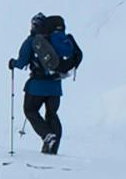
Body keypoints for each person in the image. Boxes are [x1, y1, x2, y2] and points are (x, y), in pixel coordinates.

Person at [10, 12, 83, 154]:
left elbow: (22, 62)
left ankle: (47, 136)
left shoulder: (33, 41)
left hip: (37, 86)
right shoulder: (55, 40)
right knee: (52, 114)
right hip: (55, 86)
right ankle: (52, 148)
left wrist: (12, 63)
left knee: (30, 110)